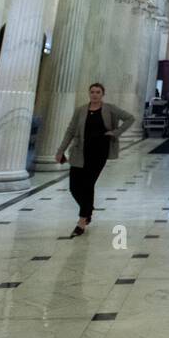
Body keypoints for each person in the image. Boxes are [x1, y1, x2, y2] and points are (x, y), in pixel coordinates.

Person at [55, 82, 136, 237]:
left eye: (98, 92)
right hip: (80, 151)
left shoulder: (109, 109)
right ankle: (88, 210)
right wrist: (60, 150)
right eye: (92, 91)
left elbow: (129, 118)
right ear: (89, 93)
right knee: (74, 186)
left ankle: (81, 221)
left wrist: (116, 132)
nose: (94, 94)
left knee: (87, 184)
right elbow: (70, 131)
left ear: (102, 94)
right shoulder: (80, 111)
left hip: (99, 152)